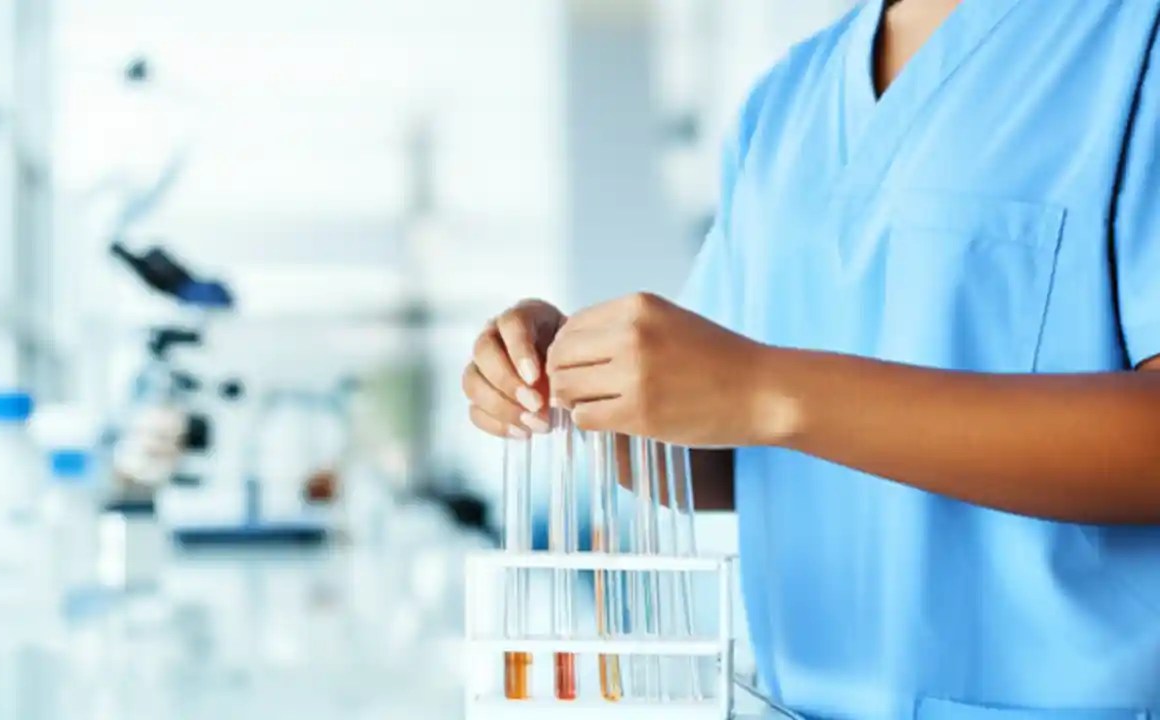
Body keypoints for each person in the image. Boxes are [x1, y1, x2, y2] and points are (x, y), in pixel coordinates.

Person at [462, 0, 1160, 717]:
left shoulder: (1135, 44)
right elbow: (727, 451)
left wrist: (769, 391)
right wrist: (583, 386)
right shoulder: (787, 101)